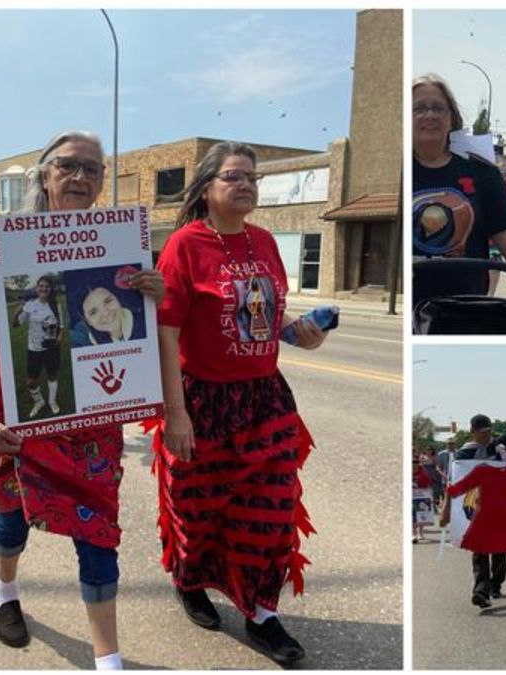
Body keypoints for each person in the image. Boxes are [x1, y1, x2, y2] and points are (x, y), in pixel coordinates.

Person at [0, 130, 164, 670]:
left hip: (91, 425)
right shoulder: (10, 252)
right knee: (12, 521)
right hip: (18, 422)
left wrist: (155, 296)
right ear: (45, 176)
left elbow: (141, 336)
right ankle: (4, 591)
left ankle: (107, 657)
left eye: (92, 169)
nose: (80, 177)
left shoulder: (120, 249)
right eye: (69, 166)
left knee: (99, 534)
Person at [154, 141, 330, 665]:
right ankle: (189, 582)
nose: (246, 184)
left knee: (270, 512)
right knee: (198, 511)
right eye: (233, 176)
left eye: (251, 176)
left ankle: (261, 614)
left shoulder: (265, 241)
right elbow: (165, 331)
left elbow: (267, 320)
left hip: (264, 399)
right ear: (207, 187)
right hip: (202, 400)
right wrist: (175, 412)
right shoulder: (185, 246)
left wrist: (300, 333)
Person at [412, 73, 506, 306]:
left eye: (439, 108)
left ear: (451, 119)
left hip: (466, 306)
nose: (429, 115)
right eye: (419, 108)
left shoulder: (482, 173)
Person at [448, 385, 506, 607]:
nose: (487, 435)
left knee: (500, 549)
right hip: (477, 508)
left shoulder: (499, 445)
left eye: (489, 431)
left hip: (504, 507)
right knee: (480, 549)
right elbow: (455, 484)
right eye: (483, 432)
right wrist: (446, 510)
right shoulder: (464, 455)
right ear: (473, 432)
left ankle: (495, 585)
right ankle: (480, 590)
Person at [14, 275, 63, 418]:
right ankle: (39, 401)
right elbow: (17, 324)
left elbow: (60, 325)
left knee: (52, 375)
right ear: (37, 288)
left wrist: (60, 336)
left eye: (47, 286)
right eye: (41, 286)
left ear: (50, 289)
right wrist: (20, 308)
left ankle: (52, 401)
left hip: (51, 347)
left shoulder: (55, 305)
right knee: (31, 381)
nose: (44, 288)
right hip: (34, 349)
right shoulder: (30, 305)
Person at [66, 270, 148, 347]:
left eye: (108, 301)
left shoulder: (147, 323)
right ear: (87, 321)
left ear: (117, 299)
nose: (106, 313)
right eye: (93, 312)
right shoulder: (83, 344)